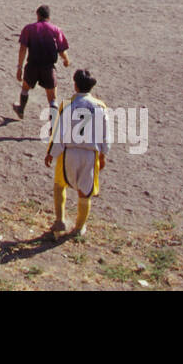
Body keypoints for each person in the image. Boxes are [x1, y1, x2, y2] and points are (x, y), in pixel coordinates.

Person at [45, 69, 109, 239]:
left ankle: (60, 220)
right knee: (85, 193)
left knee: (60, 184)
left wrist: (51, 153)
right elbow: (105, 134)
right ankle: (79, 228)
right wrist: (103, 155)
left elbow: (59, 132)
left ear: (75, 84)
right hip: (90, 154)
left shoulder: (67, 105)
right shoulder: (100, 107)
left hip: (69, 152)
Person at [14, 4, 70, 120]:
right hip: (48, 67)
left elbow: (23, 49)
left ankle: (21, 109)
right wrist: (66, 60)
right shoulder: (55, 30)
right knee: (52, 98)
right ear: (49, 17)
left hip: (32, 65)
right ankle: (53, 122)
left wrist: (19, 67)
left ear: (37, 15)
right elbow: (61, 50)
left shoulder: (29, 29)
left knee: (25, 88)